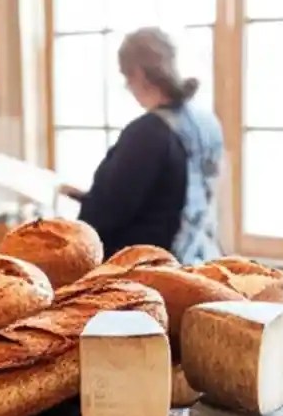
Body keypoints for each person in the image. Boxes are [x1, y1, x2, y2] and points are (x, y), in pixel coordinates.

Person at [63, 27, 224, 264]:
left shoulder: (147, 133)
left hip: (152, 274)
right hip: (201, 260)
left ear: (138, 73)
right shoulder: (207, 122)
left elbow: (105, 215)